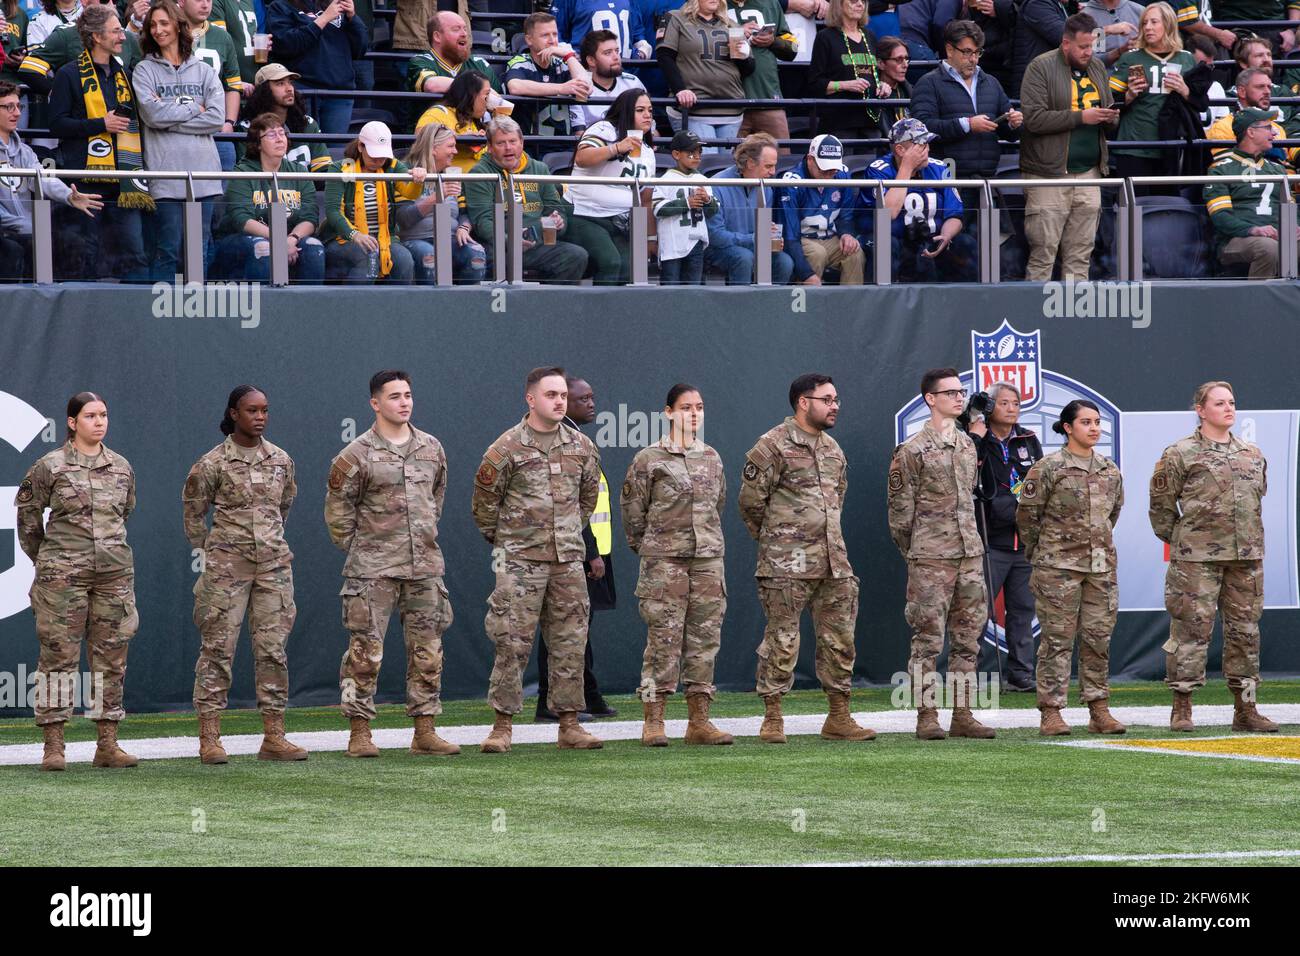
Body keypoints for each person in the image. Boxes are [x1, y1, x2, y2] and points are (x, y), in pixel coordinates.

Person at [324, 370, 461, 758]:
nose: (404, 402)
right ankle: (359, 732)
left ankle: (425, 731)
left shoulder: (431, 448)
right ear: (375, 403)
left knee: (429, 652)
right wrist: (366, 550)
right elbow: (338, 514)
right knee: (364, 655)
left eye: (408, 395)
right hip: (373, 571)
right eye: (395, 396)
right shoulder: (355, 455)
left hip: (425, 568)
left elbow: (436, 499)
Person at [472, 366, 605, 753]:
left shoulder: (582, 447)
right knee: (511, 642)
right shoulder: (506, 448)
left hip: (567, 562)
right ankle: (502, 726)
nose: (560, 401)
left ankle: (568, 723)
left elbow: (587, 500)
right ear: (531, 399)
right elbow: (484, 507)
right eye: (551, 395)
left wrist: (563, 536)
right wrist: (515, 541)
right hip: (519, 563)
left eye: (563, 394)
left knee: (570, 643)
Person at [739, 373, 876, 744]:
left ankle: (838, 717)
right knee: (782, 640)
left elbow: (837, 501)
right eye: (827, 399)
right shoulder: (772, 445)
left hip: (834, 562)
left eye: (836, 400)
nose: (835, 406)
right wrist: (778, 542)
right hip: (787, 563)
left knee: (840, 640)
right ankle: (773, 718)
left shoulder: (833, 449)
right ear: (804, 402)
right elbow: (751, 504)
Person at [183, 386, 308, 764]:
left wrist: (266, 542)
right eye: (252, 410)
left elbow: (284, 504)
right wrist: (216, 550)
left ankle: (274, 737)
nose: (260, 417)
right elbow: (193, 514)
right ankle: (210, 738)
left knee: (273, 650)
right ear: (234, 413)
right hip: (226, 569)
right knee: (218, 649)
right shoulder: (212, 463)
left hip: (273, 566)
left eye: (265, 411)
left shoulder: (281, 460)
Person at [15, 392, 139, 771]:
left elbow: (126, 511)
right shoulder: (49, 467)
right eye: (90, 416)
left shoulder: (120, 467)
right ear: (72, 422)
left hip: (113, 575)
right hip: (62, 577)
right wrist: (52, 562)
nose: (99, 422)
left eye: (103, 415)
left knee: (112, 657)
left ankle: (107, 744)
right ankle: (54, 746)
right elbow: (28, 520)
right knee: (58, 656)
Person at [1149, 381, 1277, 734]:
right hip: (1196, 560)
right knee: (1190, 633)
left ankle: (1246, 708)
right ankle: (1182, 706)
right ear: (1200, 410)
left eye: (1232, 402)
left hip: (1246, 559)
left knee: (1246, 634)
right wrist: (1186, 542)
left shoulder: (1252, 453)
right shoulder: (1180, 453)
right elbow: (1161, 510)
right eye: (1219, 403)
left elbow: (1257, 500)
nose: (1228, 408)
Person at [623, 383, 732, 746]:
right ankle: (654, 721)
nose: (694, 413)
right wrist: (653, 548)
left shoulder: (712, 458)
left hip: (707, 562)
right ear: (668, 412)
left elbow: (718, 506)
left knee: (704, 640)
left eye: (699, 407)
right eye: (686, 407)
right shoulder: (648, 459)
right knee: (663, 641)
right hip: (664, 563)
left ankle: (699, 721)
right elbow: (633, 514)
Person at [887, 368, 994, 740]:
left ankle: (963, 713)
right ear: (930, 399)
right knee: (928, 638)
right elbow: (900, 514)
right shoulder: (912, 450)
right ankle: (926, 714)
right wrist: (919, 552)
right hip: (931, 557)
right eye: (949, 393)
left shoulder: (967, 445)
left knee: (968, 638)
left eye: (961, 392)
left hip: (969, 554)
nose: (959, 398)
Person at [1016, 400, 1127, 736]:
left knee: (1097, 639)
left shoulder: (1109, 469)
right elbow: (1028, 517)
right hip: (1057, 567)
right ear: (1067, 427)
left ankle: (1099, 709)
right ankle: (1051, 711)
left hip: (1099, 567)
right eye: (1085, 422)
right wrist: (1044, 552)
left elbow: (1113, 514)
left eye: (1096, 422)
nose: (1093, 428)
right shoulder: (1047, 468)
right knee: (1057, 640)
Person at [535, 376, 619, 722]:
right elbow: (572, 507)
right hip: (578, 553)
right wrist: (591, 552)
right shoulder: (561, 442)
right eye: (582, 398)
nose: (590, 403)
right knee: (561, 630)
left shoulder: (580, 440)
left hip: (593, 550)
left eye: (591, 397)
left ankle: (588, 694)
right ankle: (548, 702)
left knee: (579, 628)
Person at [47, 3, 150, 282]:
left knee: (134, 254)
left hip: (124, 181)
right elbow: (55, 124)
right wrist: (100, 125)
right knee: (85, 255)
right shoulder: (69, 74)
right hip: (85, 181)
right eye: (116, 31)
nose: (122, 37)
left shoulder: (124, 75)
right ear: (96, 36)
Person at [1019, 12, 1119, 282]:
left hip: (1089, 173)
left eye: (1092, 45)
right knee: (1043, 253)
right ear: (1065, 44)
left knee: (1081, 253)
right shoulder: (1040, 67)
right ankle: (1034, 318)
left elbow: (1108, 107)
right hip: (1048, 174)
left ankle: (1073, 319)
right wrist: (1080, 117)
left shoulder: (1097, 67)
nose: (1089, 52)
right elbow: (1033, 119)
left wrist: (1109, 117)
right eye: (1083, 47)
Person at [133, 0, 224, 281]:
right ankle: (161, 317)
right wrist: (194, 109)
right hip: (166, 174)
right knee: (167, 249)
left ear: (178, 25)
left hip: (204, 174)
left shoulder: (204, 71)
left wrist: (169, 114)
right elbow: (152, 116)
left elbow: (217, 118)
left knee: (199, 249)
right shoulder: (144, 71)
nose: (158, 30)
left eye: (164, 23)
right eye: (153, 25)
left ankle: (195, 313)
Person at [966, 382, 1043, 692]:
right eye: (1004, 403)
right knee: (976, 610)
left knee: (1023, 610)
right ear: (989, 407)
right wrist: (975, 434)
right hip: (989, 540)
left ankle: (1021, 673)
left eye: (1016, 403)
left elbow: (1037, 480)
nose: (1012, 408)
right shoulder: (976, 439)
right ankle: (967, 672)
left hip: (1023, 542)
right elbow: (967, 475)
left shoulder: (1028, 439)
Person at [0, 79, 103, 281]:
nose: (18, 113)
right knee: (15, 250)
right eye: (8, 107)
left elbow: (43, 179)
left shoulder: (25, 151)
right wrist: (24, 225)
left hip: (24, 231)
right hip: (8, 232)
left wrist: (68, 196)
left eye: (19, 106)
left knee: (73, 243)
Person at [465, 116, 589, 282]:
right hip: (501, 246)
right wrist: (511, 241)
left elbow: (556, 210)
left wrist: (559, 223)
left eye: (513, 141)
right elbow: (483, 222)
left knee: (577, 255)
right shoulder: (480, 173)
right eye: (500, 143)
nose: (508, 148)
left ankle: (550, 305)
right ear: (489, 147)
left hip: (537, 242)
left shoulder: (539, 168)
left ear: (522, 143)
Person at [859, 117, 976, 282]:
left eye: (927, 144)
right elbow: (888, 213)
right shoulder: (878, 171)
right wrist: (907, 167)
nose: (927, 150)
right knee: (887, 245)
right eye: (921, 145)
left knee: (966, 243)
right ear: (900, 150)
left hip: (930, 238)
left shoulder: (939, 168)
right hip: (892, 239)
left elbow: (955, 215)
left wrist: (946, 235)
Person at [214, 112, 325, 282]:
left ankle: (307, 307)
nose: (280, 139)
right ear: (257, 144)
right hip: (239, 241)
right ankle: (261, 306)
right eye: (272, 134)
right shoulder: (243, 172)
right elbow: (241, 218)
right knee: (264, 248)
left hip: (289, 238)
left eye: (282, 133)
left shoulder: (298, 172)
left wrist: (292, 239)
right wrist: (279, 240)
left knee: (313, 247)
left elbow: (310, 216)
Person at [911, 19, 1022, 187]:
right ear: (949, 50)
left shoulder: (991, 82)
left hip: (988, 179)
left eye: (977, 53)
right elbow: (923, 128)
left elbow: (1009, 134)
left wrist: (1014, 123)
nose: (974, 59)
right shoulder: (929, 82)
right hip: (947, 180)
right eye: (967, 52)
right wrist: (967, 124)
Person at [566, 88, 655, 285]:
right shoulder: (605, 129)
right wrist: (615, 148)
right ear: (625, 111)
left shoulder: (648, 152)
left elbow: (646, 198)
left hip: (619, 221)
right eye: (640, 110)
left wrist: (650, 237)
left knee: (629, 265)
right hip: (584, 213)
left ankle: (617, 315)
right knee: (611, 262)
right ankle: (599, 314)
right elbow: (582, 158)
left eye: (650, 110)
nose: (647, 115)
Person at [320, 121, 425, 284]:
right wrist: (355, 235)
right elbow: (333, 211)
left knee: (405, 260)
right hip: (344, 239)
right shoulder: (339, 168)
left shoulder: (393, 166)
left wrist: (418, 180)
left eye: (382, 156)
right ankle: (358, 307)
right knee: (369, 256)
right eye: (374, 155)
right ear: (361, 147)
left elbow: (409, 192)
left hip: (385, 239)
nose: (378, 161)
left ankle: (401, 308)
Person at [1107, 3, 1196, 186]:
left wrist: (1185, 91)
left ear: (1169, 24)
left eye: (1154, 22)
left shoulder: (1186, 59)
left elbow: (1201, 103)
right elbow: (1108, 101)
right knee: (1134, 208)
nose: (1147, 27)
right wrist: (1129, 96)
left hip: (1171, 145)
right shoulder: (1131, 58)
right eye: (1145, 23)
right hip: (1134, 145)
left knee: (1165, 207)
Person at [1204, 108, 1294, 278]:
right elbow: (1221, 217)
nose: (1274, 132)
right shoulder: (1221, 169)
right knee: (1268, 247)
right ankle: (1256, 301)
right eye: (1268, 127)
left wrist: (1295, 226)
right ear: (1251, 132)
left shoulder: (1277, 169)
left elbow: (1290, 208)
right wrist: (1252, 229)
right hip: (1235, 241)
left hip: (1277, 235)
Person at [399, 122, 487, 285]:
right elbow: (403, 219)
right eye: (451, 146)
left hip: (451, 238)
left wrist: (464, 227)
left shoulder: (451, 174)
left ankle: (467, 307)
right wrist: (438, 196)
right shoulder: (406, 172)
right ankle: (432, 307)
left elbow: (464, 212)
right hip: (416, 239)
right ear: (433, 148)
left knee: (477, 256)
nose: (455, 151)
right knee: (429, 256)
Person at [659, 0, 753, 151]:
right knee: (707, 161)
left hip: (730, 107)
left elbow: (748, 70)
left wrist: (744, 56)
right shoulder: (676, 18)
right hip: (695, 106)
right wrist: (680, 89)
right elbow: (664, 56)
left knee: (724, 164)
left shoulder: (732, 24)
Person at [266, 0, 369, 134]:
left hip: (339, 92)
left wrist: (352, 18)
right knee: (305, 148)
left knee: (335, 152)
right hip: (302, 90)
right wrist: (324, 18)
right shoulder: (281, 6)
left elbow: (360, 50)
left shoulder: (338, 5)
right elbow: (286, 45)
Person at [705, 131, 793, 284]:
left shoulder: (766, 186)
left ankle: (774, 306)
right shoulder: (716, 184)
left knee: (784, 262)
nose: (773, 172)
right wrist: (755, 239)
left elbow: (761, 229)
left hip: (751, 246)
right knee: (744, 258)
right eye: (768, 166)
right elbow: (715, 237)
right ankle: (741, 307)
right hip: (718, 250)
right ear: (751, 163)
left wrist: (771, 236)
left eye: (774, 166)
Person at [779, 133, 864, 285]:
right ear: (810, 159)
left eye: (832, 171)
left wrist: (847, 234)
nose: (828, 176)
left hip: (830, 237)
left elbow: (846, 215)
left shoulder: (842, 174)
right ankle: (806, 305)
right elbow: (790, 235)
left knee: (854, 252)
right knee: (817, 253)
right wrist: (806, 274)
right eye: (824, 170)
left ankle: (851, 307)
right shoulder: (792, 183)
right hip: (802, 239)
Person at [503, 11, 590, 137]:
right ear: (529, 40)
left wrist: (568, 55)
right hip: (530, 145)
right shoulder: (520, 62)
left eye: (555, 34)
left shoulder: (563, 63)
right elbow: (515, 87)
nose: (552, 40)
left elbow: (587, 87)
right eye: (545, 35)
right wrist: (562, 88)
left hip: (564, 144)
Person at [806, 0, 881, 143]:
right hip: (839, 122)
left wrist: (883, 85)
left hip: (871, 121)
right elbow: (814, 84)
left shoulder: (870, 36)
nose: (860, 4)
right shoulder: (825, 37)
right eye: (853, 1)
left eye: (863, 1)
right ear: (839, 4)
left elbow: (875, 75)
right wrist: (845, 85)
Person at [234, 62, 332, 172]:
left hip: (306, 188)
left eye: (290, 83)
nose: (289, 89)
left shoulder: (307, 123)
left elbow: (324, 172)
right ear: (264, 90)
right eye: (280, 83)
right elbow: (248, 175)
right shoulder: (248, 127)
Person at [177, 0, 240, 170]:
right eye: (198, 0)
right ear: (181, 2)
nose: (205, 5)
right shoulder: (168, 32)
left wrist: (229, 123)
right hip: (177, 125)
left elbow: (233, 85)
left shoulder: (223, 37)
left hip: (216, 127)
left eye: (209, 0)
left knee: (221, 188)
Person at [652, 129, 718, 284]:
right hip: (672, 242)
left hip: (696, 241)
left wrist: (707, 200)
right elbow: (657, 208)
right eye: (691, 153)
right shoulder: (665, 179)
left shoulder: (702, 179)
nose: (697, 157)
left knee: (693, 287)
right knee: (671, 285)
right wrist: (686, 203)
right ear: (676, 154)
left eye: (699, 152)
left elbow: (713, 211)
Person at [727, 0, 796, 144]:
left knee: (781, 160)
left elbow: (793, 49)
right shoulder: (714, 4)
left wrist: (773, 41)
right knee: (726, 161)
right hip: (729, 102)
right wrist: (737, 32)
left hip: (768, 97)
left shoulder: (770, 3)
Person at [1205, 68, 1298, 166]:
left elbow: (1287, 170)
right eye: (1260, 87)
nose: (1267, 92)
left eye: (1269, 87)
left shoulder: (1278, 129)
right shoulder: (1222, 127)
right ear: (1241, 91)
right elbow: (1224, 171)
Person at [568, 28, 645, 135]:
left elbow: (648, 129)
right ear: (591, 60)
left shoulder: (633, 83)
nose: (616, 57)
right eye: (608, 53)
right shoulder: (579, 86)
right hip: (593, 148)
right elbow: (579, 134)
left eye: (617, 51)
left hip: (631, 147)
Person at [415, 69, 492, 173]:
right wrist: (458, 139)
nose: (488, 102)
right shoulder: (438, 113)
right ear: (471, 95)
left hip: (481, 183)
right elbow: (420, 141)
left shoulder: (475, 121)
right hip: (448, 184)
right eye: (486, 96)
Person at [407, 10, 500, 94]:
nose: (464, 34)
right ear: (437, 37)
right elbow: (431, 85)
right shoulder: (421, 61)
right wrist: (480, 88)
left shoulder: (479, 63)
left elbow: (498, 100)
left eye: (465, 29)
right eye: (456, 29)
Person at [552, 0, 652, 61]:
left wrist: (641, 52)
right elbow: (556, 33)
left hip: (625, 72)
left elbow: (636, 32)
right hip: (588, 74)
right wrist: (572, 58)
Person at [1011, 0, 1067, 98]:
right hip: (1036, 84)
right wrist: (1100, 32)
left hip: (1048, 81)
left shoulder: (1056, 5)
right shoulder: (1037, 4)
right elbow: (1066, 38)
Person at [209, 0, 260, 85]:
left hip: (253, 77)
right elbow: (219, 45)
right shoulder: (215, 2)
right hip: (232, 81)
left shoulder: (249, 2)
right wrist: (233, 83)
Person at [1083, 0, 1142, 67]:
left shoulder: (1139, 10)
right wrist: (1106, 30)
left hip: (1137, 73)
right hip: (1105, 75)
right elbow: (1089, 62)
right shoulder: (1085, 17)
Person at [875, 34, 913, 135]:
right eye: (898, 59)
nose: (905, 65)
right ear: (881, 64)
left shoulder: (910, 91)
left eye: (906, 59)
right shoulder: (873, 93)